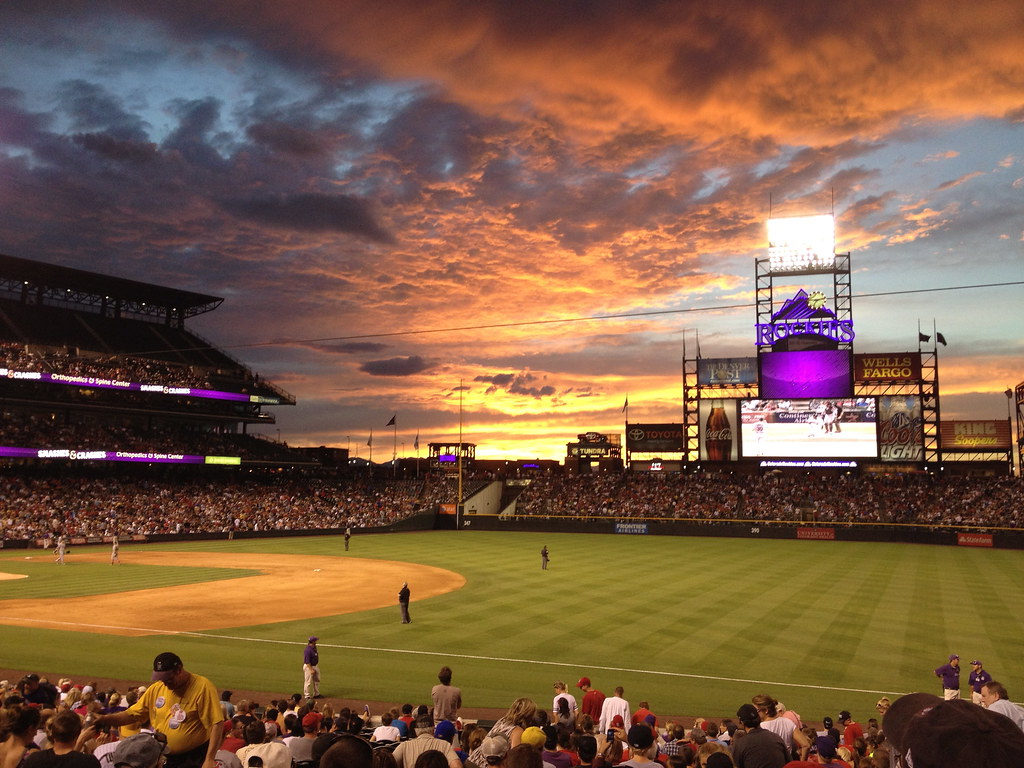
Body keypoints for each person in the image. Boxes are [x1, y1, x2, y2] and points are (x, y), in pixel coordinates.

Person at [93, 652, 224, 768]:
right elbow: (132, 715)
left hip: (193, 758)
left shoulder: (202, 687)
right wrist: (105, 718)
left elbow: (217, 723)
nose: (165, 683)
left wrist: (209, 759)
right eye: (161, 679)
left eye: (169, 679)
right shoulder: (157, 688)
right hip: (162, 756)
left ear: (179, 669)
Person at [468, 699, 538, 766]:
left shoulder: (502, 720)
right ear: (528, 715)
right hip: (482, 765)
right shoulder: (517, 731)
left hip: (472, 760)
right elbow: (515, 760)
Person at [392, 712, 460, 768]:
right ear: (433, 730)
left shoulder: (404, 746)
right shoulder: (445, 745)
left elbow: (388, 764)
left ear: (416, 731)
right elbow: (457, 766)